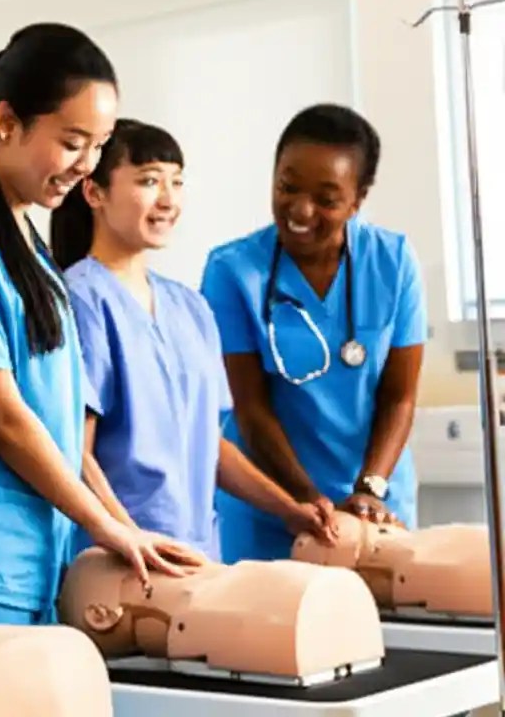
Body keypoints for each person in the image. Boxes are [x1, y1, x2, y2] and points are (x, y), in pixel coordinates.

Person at [0, 24, 198, 629]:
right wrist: (101, 525)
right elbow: (2, 417)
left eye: (98, 145)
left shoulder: (25, 242)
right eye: (73, 141)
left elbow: (57, 426)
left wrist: (124, 529)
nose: (87, 165)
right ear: (7, 123)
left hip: (23, 561)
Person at [50, 118, 335, 562]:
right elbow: (74, 452)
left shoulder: (191, 308)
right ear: (94, 192)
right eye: (148, 181)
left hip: (197, 553)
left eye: (177, 182)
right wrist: (128, 536)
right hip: (117, 560)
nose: (168, 200)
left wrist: (290, 510)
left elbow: (210, 448)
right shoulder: (80, 300)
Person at [200, 103, 427, 563]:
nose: (301, 210)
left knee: (378, 629)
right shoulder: (232, 271)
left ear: (358, 198)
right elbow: (250, 407)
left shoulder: (393, 262)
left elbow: (399, 397)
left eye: (326, 198)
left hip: (375, 504)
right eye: (287, 187)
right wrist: (303, 499)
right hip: (271, 507)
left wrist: (370, 488)